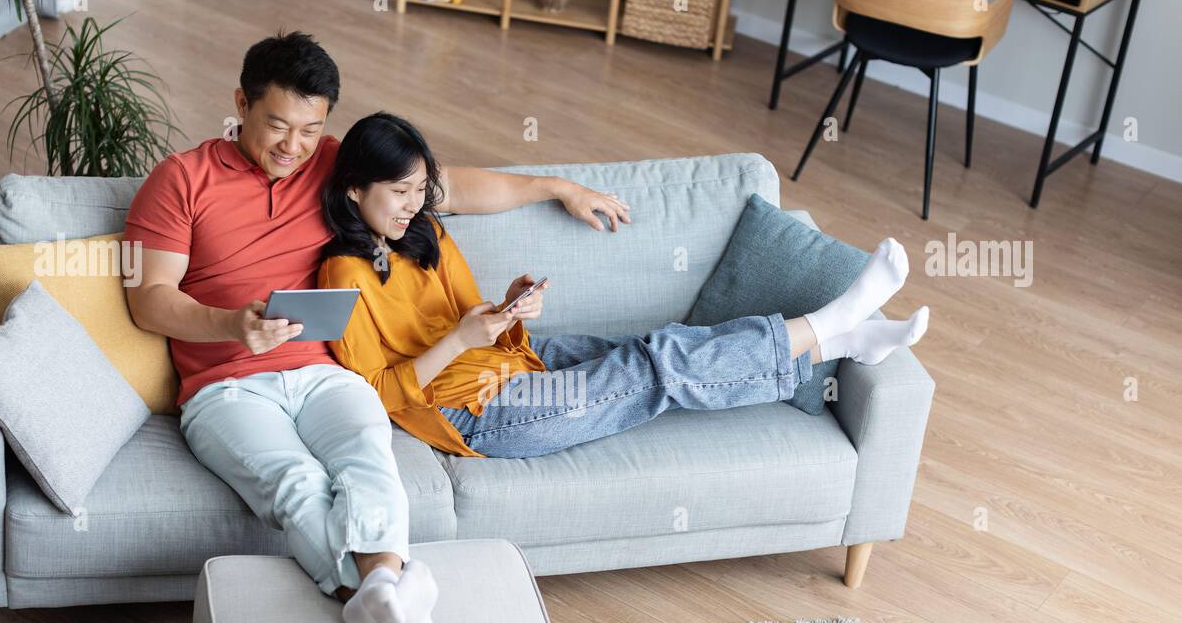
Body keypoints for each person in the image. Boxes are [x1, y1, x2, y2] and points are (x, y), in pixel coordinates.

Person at [122, 34, 630, 623]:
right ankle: (384, 591)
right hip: (225, 387)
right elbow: (149, 300)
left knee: (367, 457)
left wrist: (554, 186)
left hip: (322, 372)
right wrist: (232, 326)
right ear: (241, 105)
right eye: (277, 125)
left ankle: (380, 592)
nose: (293, 146)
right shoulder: (180, 180)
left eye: (310, 129)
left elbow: (445, 189)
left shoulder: (337, 169)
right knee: (295, 483)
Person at [318, 112, 930, 461]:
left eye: (421, 190)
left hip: (510, 358)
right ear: (353, 189)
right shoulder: (340, 277)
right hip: (476, 412)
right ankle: (831, 325)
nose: (413, 204)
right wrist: (459, 340)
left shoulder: (421, 227)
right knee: (654, 368)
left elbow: (464, 304)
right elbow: (374, 396)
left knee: (662, 344)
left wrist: (510, 307)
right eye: (399, 193)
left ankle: (839, 346)